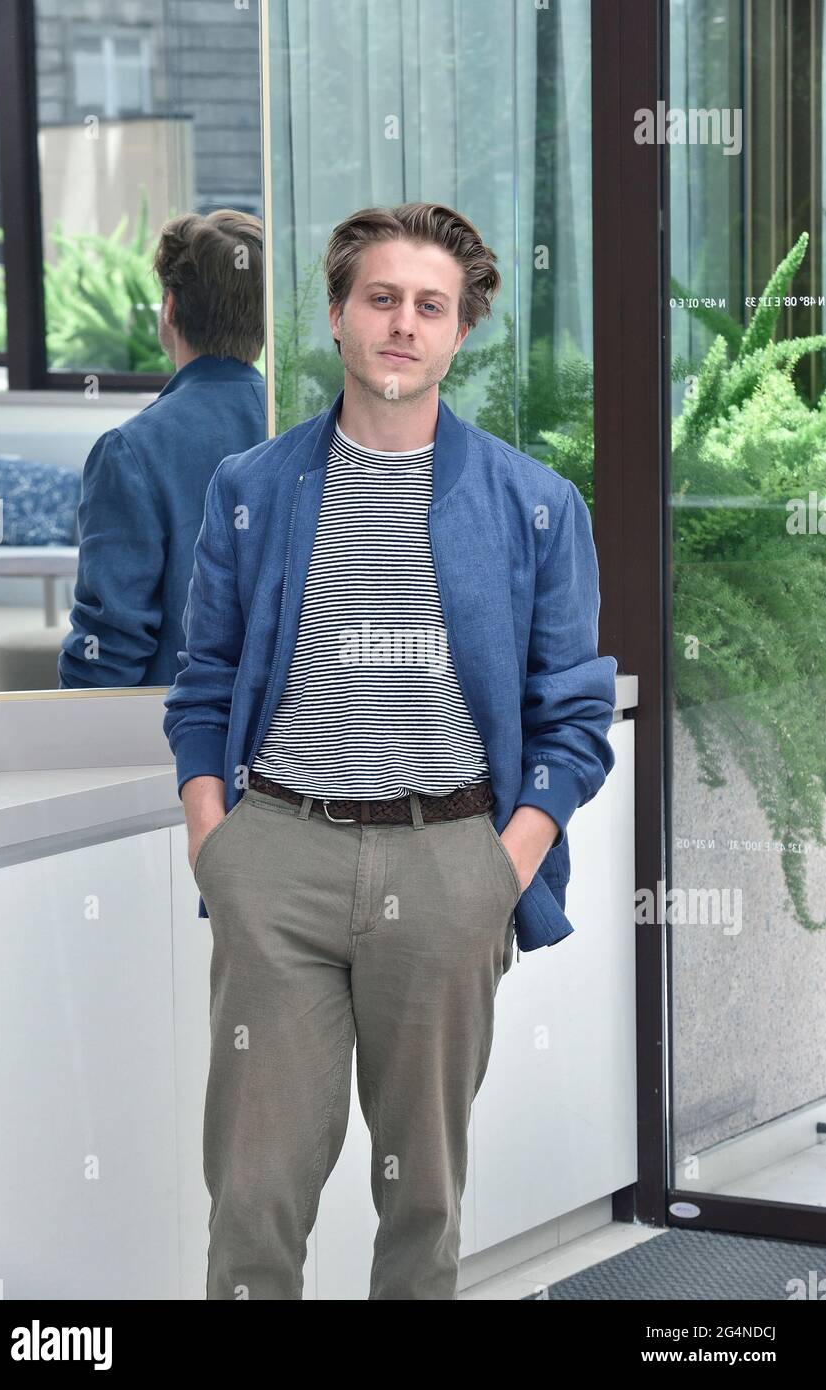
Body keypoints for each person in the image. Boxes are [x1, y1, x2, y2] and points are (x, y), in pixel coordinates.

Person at [163, 201, 618, 1300]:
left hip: (449, 861)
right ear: (335, 316)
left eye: (430, 306)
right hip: (278, 858)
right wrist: (216, 843)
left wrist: (499, 866)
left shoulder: (534, 507)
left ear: (459, 332)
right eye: (382, 299)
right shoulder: (254, 491)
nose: (403, 324)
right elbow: (204, 682)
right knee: (254, 1194)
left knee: (422, 1202)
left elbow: (573, 715)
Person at [58, 210, 266, 689]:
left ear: (169, 308)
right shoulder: (311, 431)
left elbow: (109, 648)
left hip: (159, 746)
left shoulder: (130, 451)